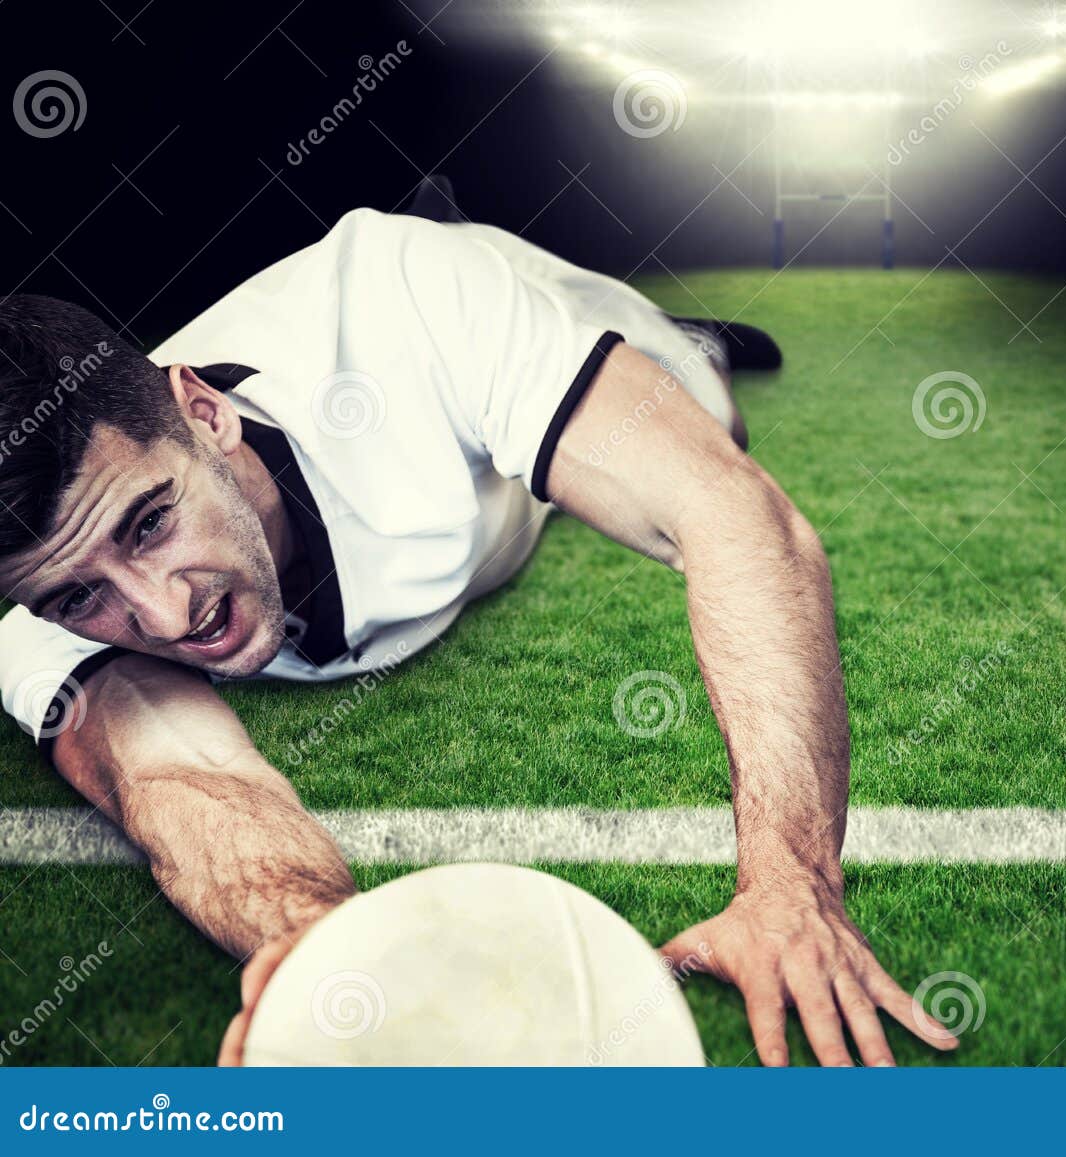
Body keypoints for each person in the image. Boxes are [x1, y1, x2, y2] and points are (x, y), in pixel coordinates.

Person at [0, 179, 957, 1067]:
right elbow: (176, 776)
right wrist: (331, 948)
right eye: (82, 596)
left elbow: (736, 518)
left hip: (521, 325)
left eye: (152, 522)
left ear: (205, 414)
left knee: (708, 408)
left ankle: (684, 335)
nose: (164, 612)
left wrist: (791, 885)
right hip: (468, 412)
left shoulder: (406, 303)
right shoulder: (33, 609)